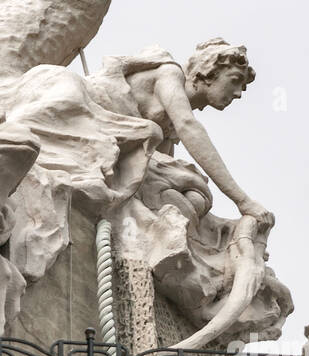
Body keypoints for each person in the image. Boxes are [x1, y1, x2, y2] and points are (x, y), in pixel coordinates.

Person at [85, 38, 273, 229]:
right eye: (235, 81)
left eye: (242, 87)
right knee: (186, 182)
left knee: (194, 194)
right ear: (209, 71)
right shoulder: (170, 74)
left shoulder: (169, 127)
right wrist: (243, 201)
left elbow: (157, 173)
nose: (238, 93)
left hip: (114, 152)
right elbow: (188, 126)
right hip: (86, 119)